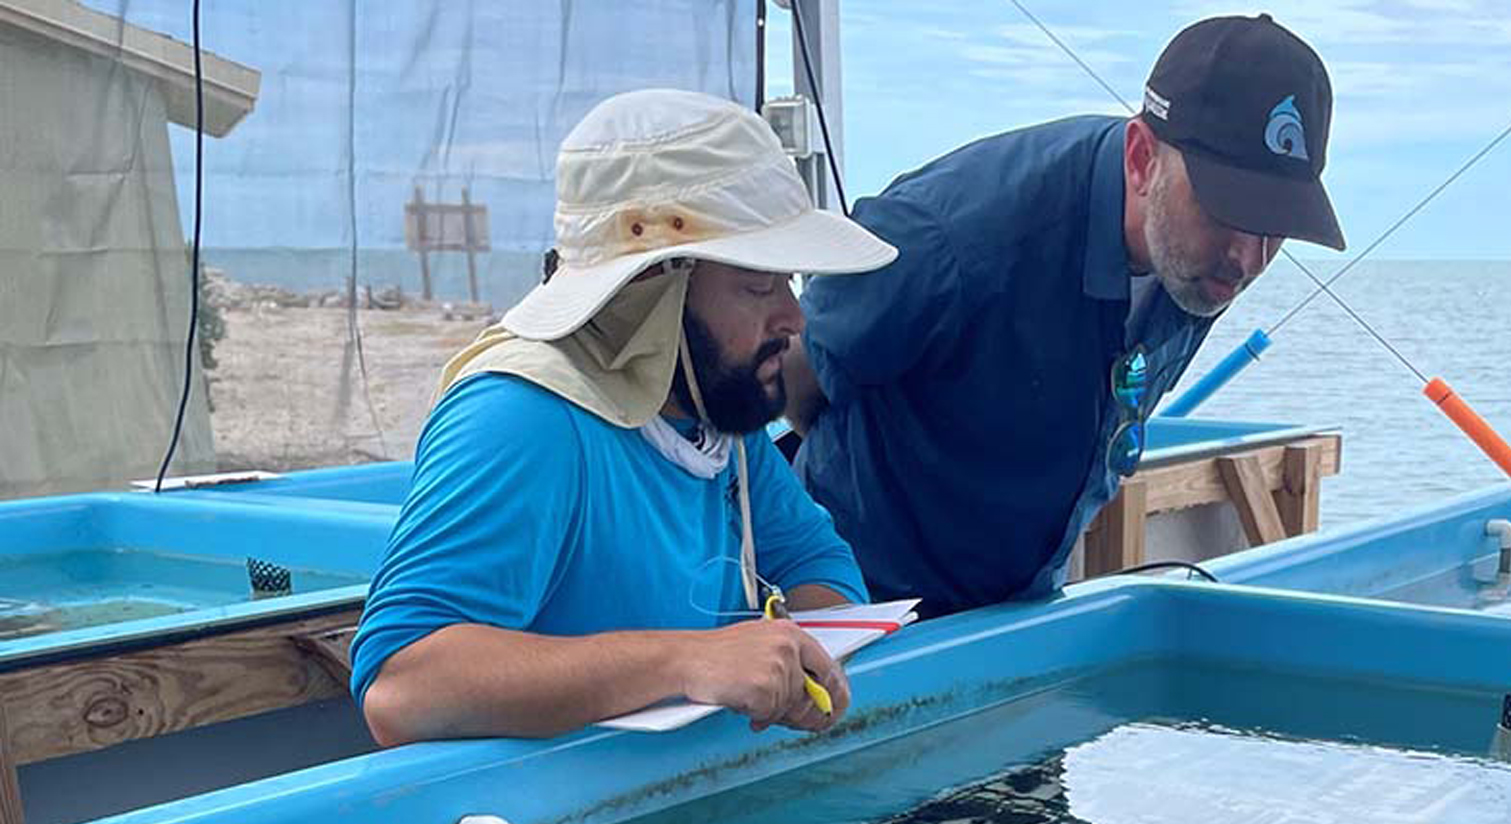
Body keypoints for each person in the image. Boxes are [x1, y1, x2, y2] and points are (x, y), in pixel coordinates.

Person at [349, 89, 897, 746]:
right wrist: (685, 661)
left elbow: (815, 560)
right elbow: (403, 685)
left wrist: (801, 665)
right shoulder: (522, 416)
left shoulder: (712, 417)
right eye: (759, 286)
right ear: (651, 287)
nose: (793, 317)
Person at [785, 14, 1344, 617]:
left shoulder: (1204, 262)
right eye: (1226, 211)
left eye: (1275, 225)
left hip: (1022, 606)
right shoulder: (951, 235)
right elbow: (794, 370)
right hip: (861, 608)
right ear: (1142, 159)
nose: (1248, 258)